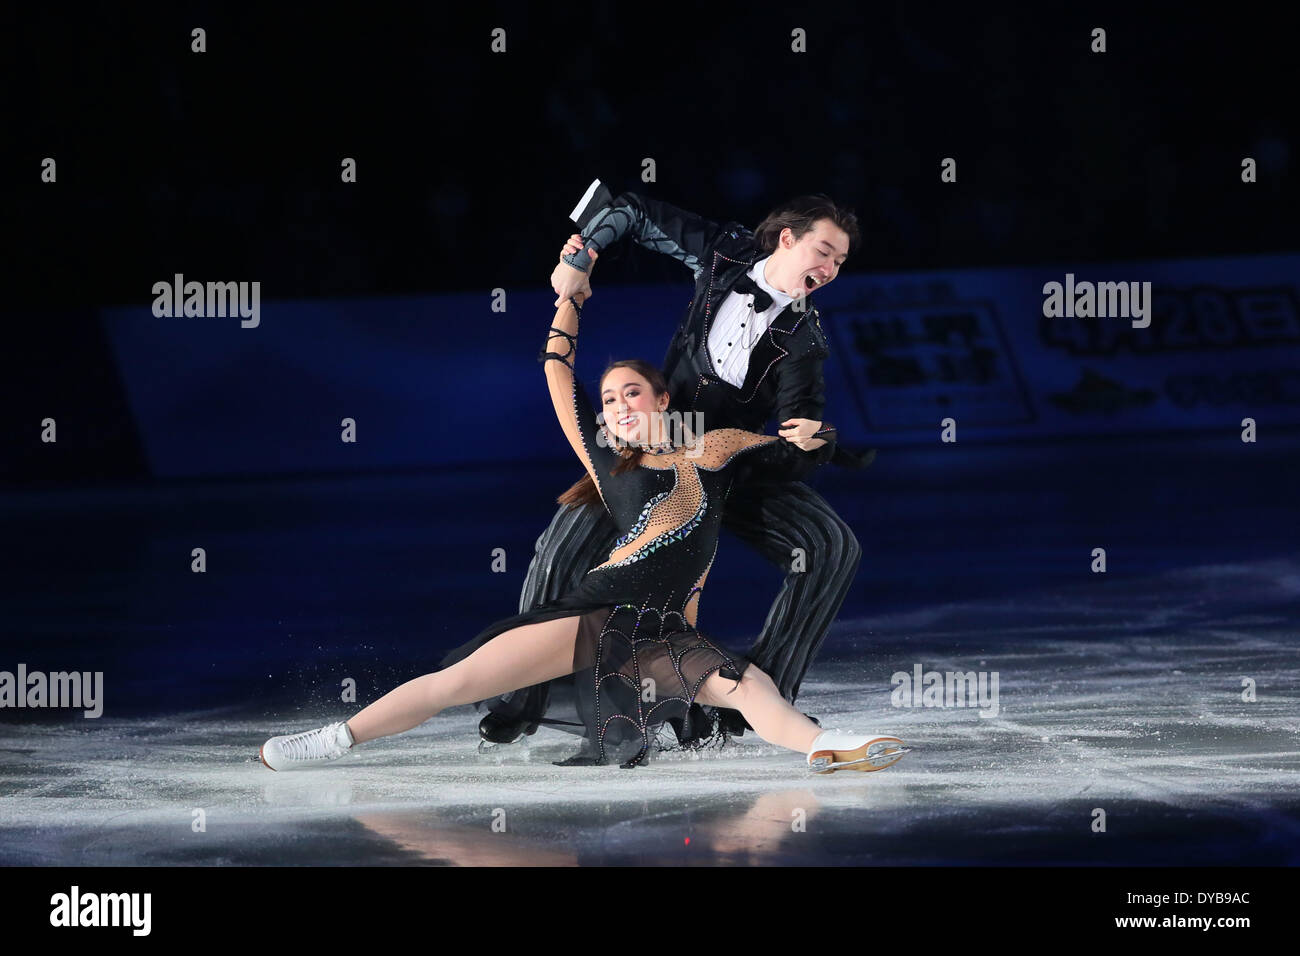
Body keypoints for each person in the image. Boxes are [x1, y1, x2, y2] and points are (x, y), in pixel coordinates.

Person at [259, 277, 907, 773]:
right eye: (609, 399)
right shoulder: (607, 464)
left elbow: (801, 446)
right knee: (454, 683)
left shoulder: (714, 449)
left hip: (664, 634)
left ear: (660, 398)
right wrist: (571, 294)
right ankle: (332, 739)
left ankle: (828, 745)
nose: (619, 404)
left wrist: (820, 435)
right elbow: (556, 372)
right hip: (594, 617)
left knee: (747, 686)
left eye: (631, 391)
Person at [478, 181, 874, 749]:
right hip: (657, 437)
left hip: (725, 457)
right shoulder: (724, 253)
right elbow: (632, 210)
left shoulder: (805, 341)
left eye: (840, 260)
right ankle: (524, 695)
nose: (832, 267)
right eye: (824, 251)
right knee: (567, 543)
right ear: (787, 239)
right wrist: (584, 258)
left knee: (832, 547)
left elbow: (793, 446)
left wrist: (818, 440)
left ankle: (744, 710)